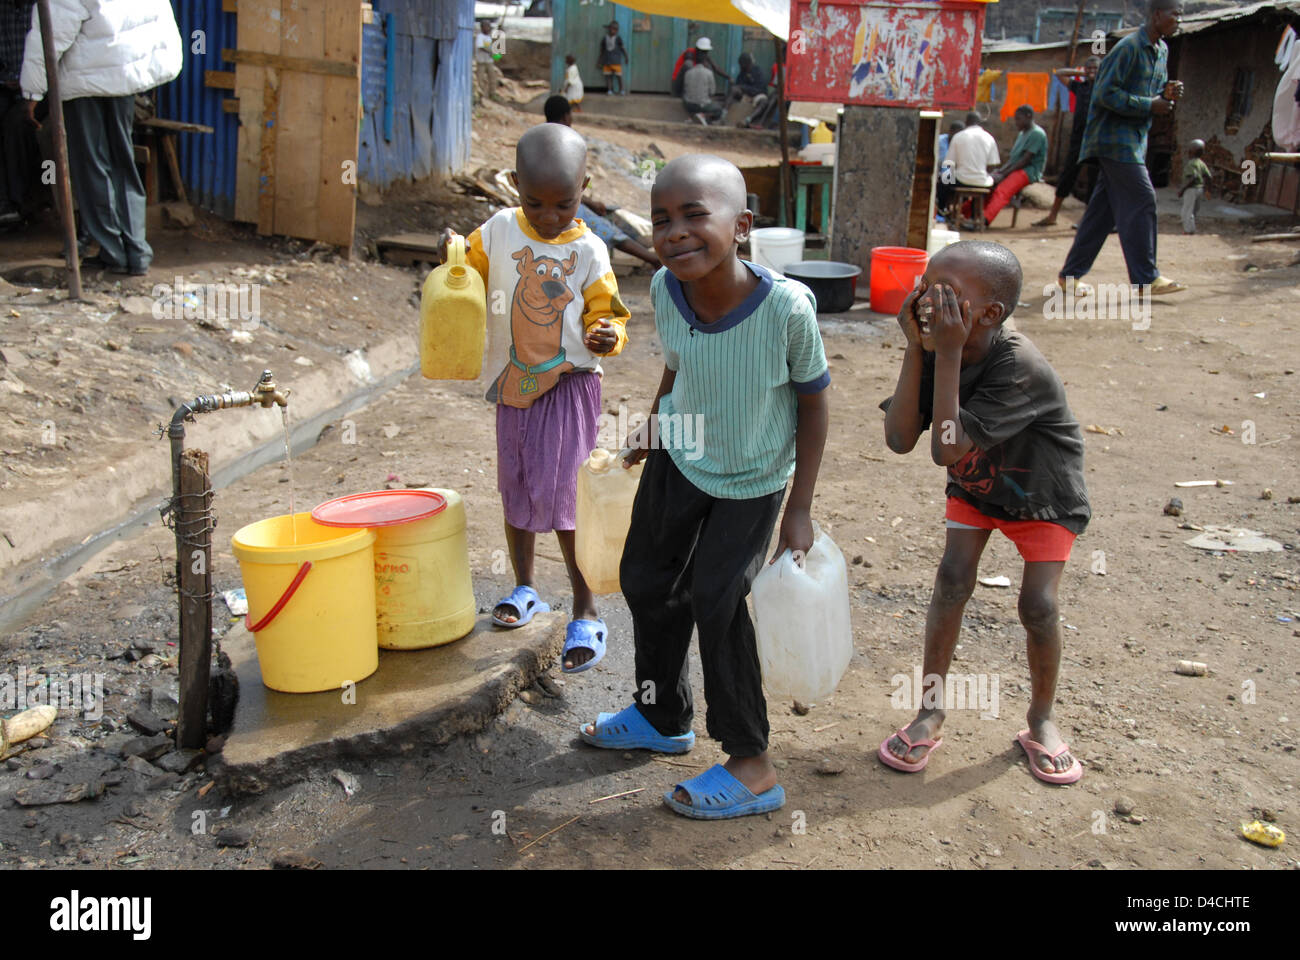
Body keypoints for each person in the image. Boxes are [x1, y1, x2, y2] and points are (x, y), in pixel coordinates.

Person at [580, 155, 830, 820]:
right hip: (680, 459)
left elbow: (814, 402)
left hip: (751, 480)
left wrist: (799, 508)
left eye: (696, 215)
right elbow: (678, 362)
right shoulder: (666, 288)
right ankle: (664, 716)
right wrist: (653, 425)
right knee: (646, 578)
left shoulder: (785, 309)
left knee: (719, 601)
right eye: (663, 219)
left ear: (742, 225)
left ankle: (751, 764)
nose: (676, 232)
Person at [879, 240, 1091, 785]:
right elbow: (902, 438)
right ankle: (929, 711)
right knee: (951, 580)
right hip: (976, 487)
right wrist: (916, 349)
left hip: (1042, 494)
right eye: (925, 284)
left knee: (1038, 606)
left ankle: (1040, 720)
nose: (927, 298)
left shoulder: (1018, 366)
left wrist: (942, 354)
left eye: (946, 292)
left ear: (991, 313)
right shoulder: (935, 347)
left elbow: (945, 447)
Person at [438, 123, 630, 673]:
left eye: (564, 204)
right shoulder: (497, 230)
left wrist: (606, 336)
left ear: (584, 188)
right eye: (535, 203)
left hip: (570, 386)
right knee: (516, 484)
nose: (549, 217)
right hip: (514, 383)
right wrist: (450, 251)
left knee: (567, 498)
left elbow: (609, 313)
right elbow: (464, 271)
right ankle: (525, 588)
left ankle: (586, 608)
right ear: (515, 184)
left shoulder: (590, 249)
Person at [20, 0, 182, 275]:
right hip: (125, 74)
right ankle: (137, 251)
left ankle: (113, 252)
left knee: (92, 166)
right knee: (123, 161)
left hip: (85, 81)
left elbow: (52, 31)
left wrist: (32, 91)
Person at [1057, 0, 1187, 297]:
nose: (1179, 20)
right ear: (1157, 15)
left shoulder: (1162, 51)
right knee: (1142, 198)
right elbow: (1103, 94)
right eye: (1175, 14)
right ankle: (1146, 278)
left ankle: (1070, 275)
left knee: (1102, 213)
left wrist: (1166, 95)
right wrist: (1149, 104)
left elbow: (1152, 94)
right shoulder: (1128, 48)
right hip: (1113, 139)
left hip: (1135, 139)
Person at [542, 95, 659, 267]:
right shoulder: (563, 141)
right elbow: (563, 187)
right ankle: (654, 260)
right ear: (566, 116)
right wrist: (590, 202)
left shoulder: (540, 137)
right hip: (563, 205)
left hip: (548, 203)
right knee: (611, 232)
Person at [1034, 57, 1101, 227]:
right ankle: (1052, 216)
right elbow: (1060, 74)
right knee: (1067, 176)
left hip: (1096, 141)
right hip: (1077, 140)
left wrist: (1096, 73)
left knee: (1093, 180)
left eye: (1096, 68)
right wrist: (1083, 72)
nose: (1092, 71)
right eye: (1089, 68)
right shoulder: (1080, 87)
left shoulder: (1103, 88)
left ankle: (1087, 220)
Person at [981, 104, 1047, 227]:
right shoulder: (1022, 134)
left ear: (1029, 117)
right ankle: (971, 215)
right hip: (1018, 168)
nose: (1016, 122)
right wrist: (1000, 172)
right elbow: (1013, 159)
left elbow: (1026, 160)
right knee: (990, 185)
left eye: (1018, 119)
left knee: (1003, 190)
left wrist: (1005, 174)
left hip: (1029, 170)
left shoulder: (1037, 134)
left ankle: (985, 220)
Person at [0, 0, 36, 225]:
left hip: (38, 91)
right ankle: (5, 201)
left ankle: (20, 200)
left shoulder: (41, 8)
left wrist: (32, 87)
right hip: (5, 84)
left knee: (17, 125)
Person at [936, 111, 1000, 214]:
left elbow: (949, 164)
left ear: (966, 122)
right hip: (982, 182)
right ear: (979, 123)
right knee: (994, 181)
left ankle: (942, 210)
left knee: (944, 181)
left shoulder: (958, 137)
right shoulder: (989, 138)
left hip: (962, 179)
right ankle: (974, 215)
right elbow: (992, 165)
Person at [1177, 138, 1212, 234]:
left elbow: (1194, 177)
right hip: (1199, 189)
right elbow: (1208, 176)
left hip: (1191, 189)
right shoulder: (1201, 163)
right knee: (1193, 210)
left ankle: (1188, 230)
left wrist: (1183, 189)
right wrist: (1208, 190)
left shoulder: (1191, 163)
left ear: (1191, 151)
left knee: (1186, 211)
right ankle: (1191, 228)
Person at [726, 52, 770, 128]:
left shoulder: (757, 71)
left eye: (742, 64)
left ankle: (748, 120)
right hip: (745, 96)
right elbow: (739, 85)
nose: (741, 66)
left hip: (757, 95)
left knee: (764, 101)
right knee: (734, 89)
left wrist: (744, 88)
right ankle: (723, 115)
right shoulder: (742, 73)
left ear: (748, 63)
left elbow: (761, 89)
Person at [682, 59, 723, 126]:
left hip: (689, 106)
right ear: (705, 63)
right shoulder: (709, 73)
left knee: (686, 98)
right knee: (719, 110)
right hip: (703, 106)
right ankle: (703, 115)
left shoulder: (688, 72)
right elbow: (712, 92)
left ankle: (692, 117)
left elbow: (685, 89)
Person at [595, 20, 627, 96]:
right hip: (607, 61)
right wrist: (599, 61)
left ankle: (621, 90)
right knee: (608, 76)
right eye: (612, 29)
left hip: (616, 61)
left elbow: (622, 48)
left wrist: (626, 57)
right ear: (609, 29)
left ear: (617, 31)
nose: (613, 31)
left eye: (615, 29)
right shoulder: (604, 38)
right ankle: (609, 90)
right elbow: (602, 50)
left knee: (619, 76)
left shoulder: (618, 38)